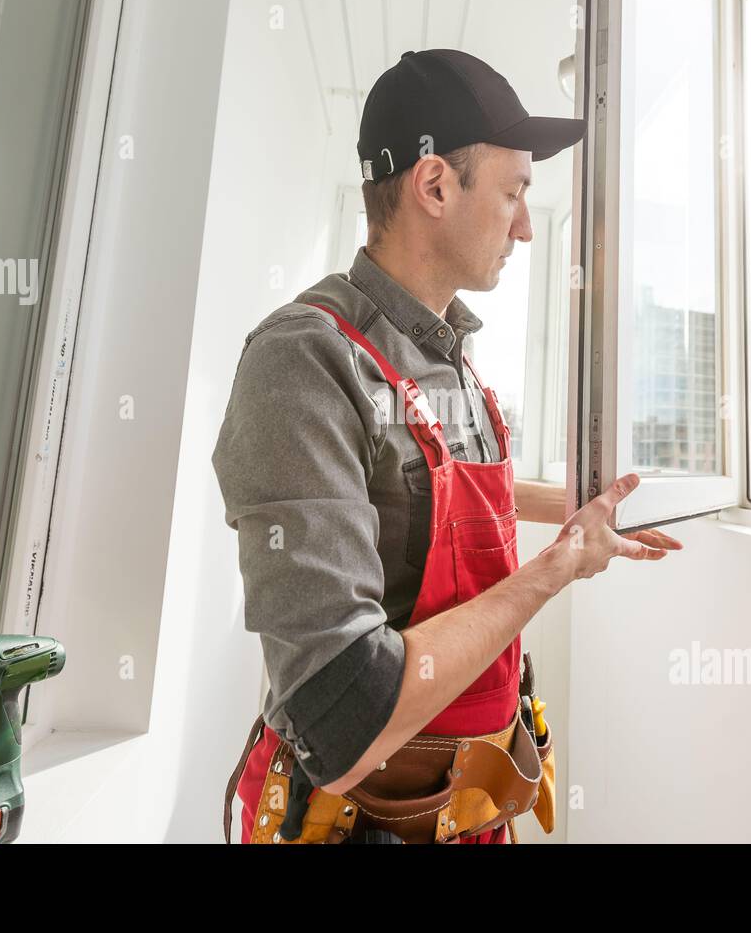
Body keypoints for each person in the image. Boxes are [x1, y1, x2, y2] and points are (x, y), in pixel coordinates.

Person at [213, 49, 683, 844]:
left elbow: (429, 495)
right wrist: (559, 565)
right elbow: (344, 712)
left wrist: (581, 507)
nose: (527, 227)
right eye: (515, 193)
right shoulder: (306, 360)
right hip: (359, 824)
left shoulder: (445, 354)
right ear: (435, 185)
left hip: (466, 808)